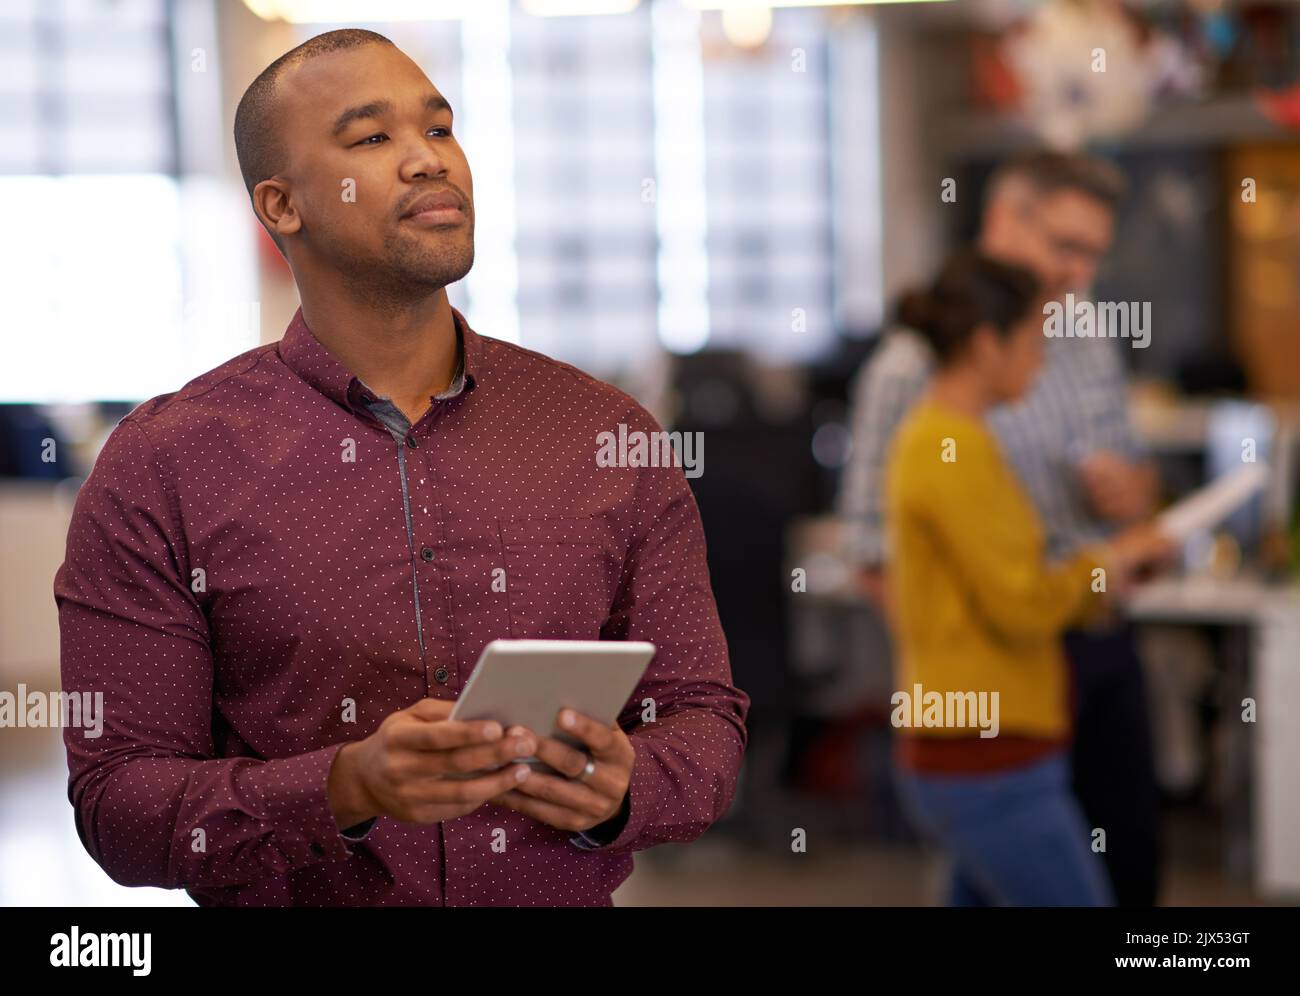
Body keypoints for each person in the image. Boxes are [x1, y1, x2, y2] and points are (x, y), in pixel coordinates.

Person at [53, 29, 748, 907]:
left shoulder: (605, 435)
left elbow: (702, 719)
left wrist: (625, 788)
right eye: (372, 138)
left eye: (441, 128)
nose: (427, 160)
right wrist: (345, 786)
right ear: (281, 205)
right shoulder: (165, 464)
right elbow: (119, 805)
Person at [838, 151, 1165, 905]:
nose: (1078, 273)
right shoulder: (926, 405)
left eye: (1092, 254)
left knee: (1122, 858)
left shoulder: (1073, 340)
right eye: (1064, 246)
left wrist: (1131, 495)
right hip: (991, 702)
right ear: (1004, 220)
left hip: (1073, 656)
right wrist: (962, 667)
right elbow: (878, 555)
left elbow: (1131, 481)